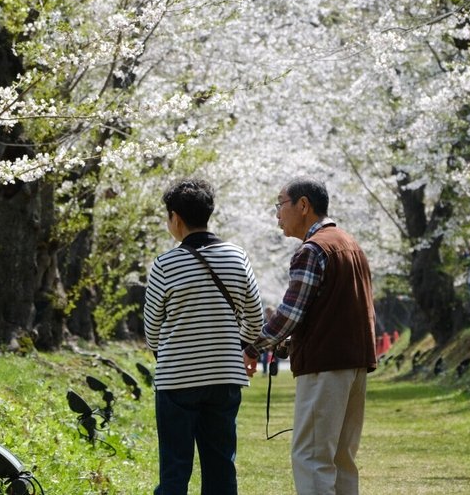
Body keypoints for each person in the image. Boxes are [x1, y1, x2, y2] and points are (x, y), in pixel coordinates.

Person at [244, 177, 376, 495]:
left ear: (303, 206)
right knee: (343, 458)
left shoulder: (313, 249)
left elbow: (289, 313)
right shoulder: (350, 244)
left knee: (312, 457)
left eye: (280, 204)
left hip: (324, 366)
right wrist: (292, 343)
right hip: (355, 364)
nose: (277, 214)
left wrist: (253, 346)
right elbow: (334, 312)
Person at [144, 179, 264, 495]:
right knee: (221, 466)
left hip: (176, 379)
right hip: (225, 375)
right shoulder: (237, 257)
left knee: (174, 469)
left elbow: (152, 328)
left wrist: (167, 352)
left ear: (175, 218)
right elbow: (256, 318)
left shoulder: (165, 264)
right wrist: (242, 347)